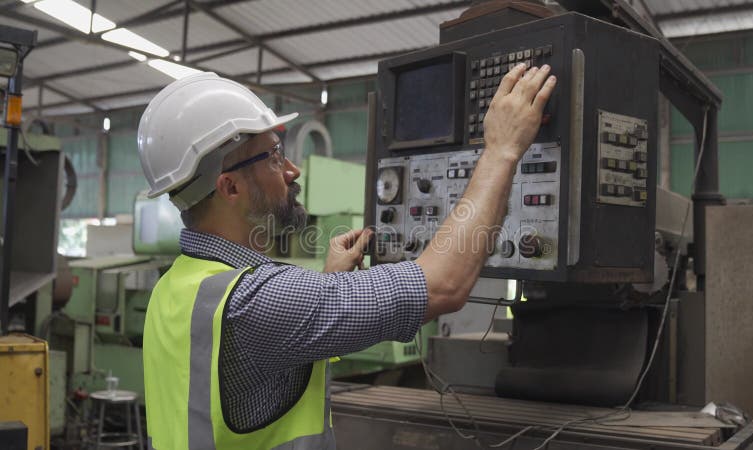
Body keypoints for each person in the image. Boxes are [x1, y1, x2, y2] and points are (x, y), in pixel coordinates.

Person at [138, 63, 556, 449]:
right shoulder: (256, 301)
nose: (292, 171)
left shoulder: (177, 288)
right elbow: (443, 283)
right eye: (275, 156)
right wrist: (501, 150)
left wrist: (330, 282)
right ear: (230, 187)